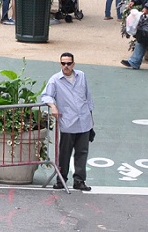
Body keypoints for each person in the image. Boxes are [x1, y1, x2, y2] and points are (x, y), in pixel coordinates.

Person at [41, 52, 95, 191]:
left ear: (73, 64)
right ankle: (61, 180)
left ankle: (79, 180)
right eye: (63, 63)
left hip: (84, 121)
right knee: (64, 153)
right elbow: (46, 95)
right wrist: (53, 106)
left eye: (69, 63)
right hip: (68, 122)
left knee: (82, 153)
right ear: (60, 64)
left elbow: (88, 98)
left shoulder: (81, 76)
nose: (66, 66)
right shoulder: (55, 80)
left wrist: (91, 120)